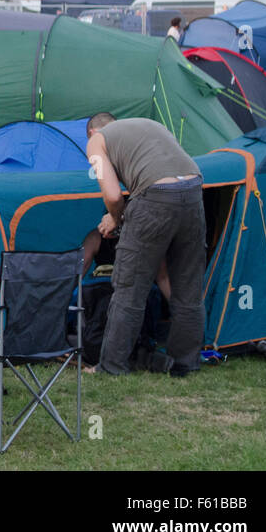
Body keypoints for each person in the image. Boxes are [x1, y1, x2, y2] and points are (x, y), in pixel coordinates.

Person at [86, 113, 205, 376]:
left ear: (93, 132)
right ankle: (185, 364)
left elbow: (113, 195)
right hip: (194, 190)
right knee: (188, 287)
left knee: (129, 287)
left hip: (154, 197)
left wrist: (116, 220)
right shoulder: (152, 124)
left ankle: (111, 367)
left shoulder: (96, 142)